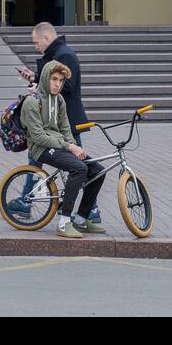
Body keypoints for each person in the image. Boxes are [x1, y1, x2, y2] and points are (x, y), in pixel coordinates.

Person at [18, 21, 101, 224]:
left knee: (81, 165)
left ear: (47, 38)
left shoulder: (64, 54)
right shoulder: (59, 53)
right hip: (57, 122)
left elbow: (67, 86)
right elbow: (53, 81)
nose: (36, 47)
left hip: (66, 122)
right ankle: (25, 202)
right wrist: (36, 77)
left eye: (37, 43)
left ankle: (91, 209)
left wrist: (38, 86)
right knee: (43, 160)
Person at [21, 60, 107, 239]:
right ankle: (63, 222)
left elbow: (66, 128)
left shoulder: (59, 100)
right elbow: (38, 137)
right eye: (54, 79)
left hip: (59, 144)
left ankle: (82, 219)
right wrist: (69, 146)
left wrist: (74, 146)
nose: (57, 84)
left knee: (98, 171)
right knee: (79, 169)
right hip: (41, 148)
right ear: (46, 78)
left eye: (61, 81)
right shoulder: (32, 101)